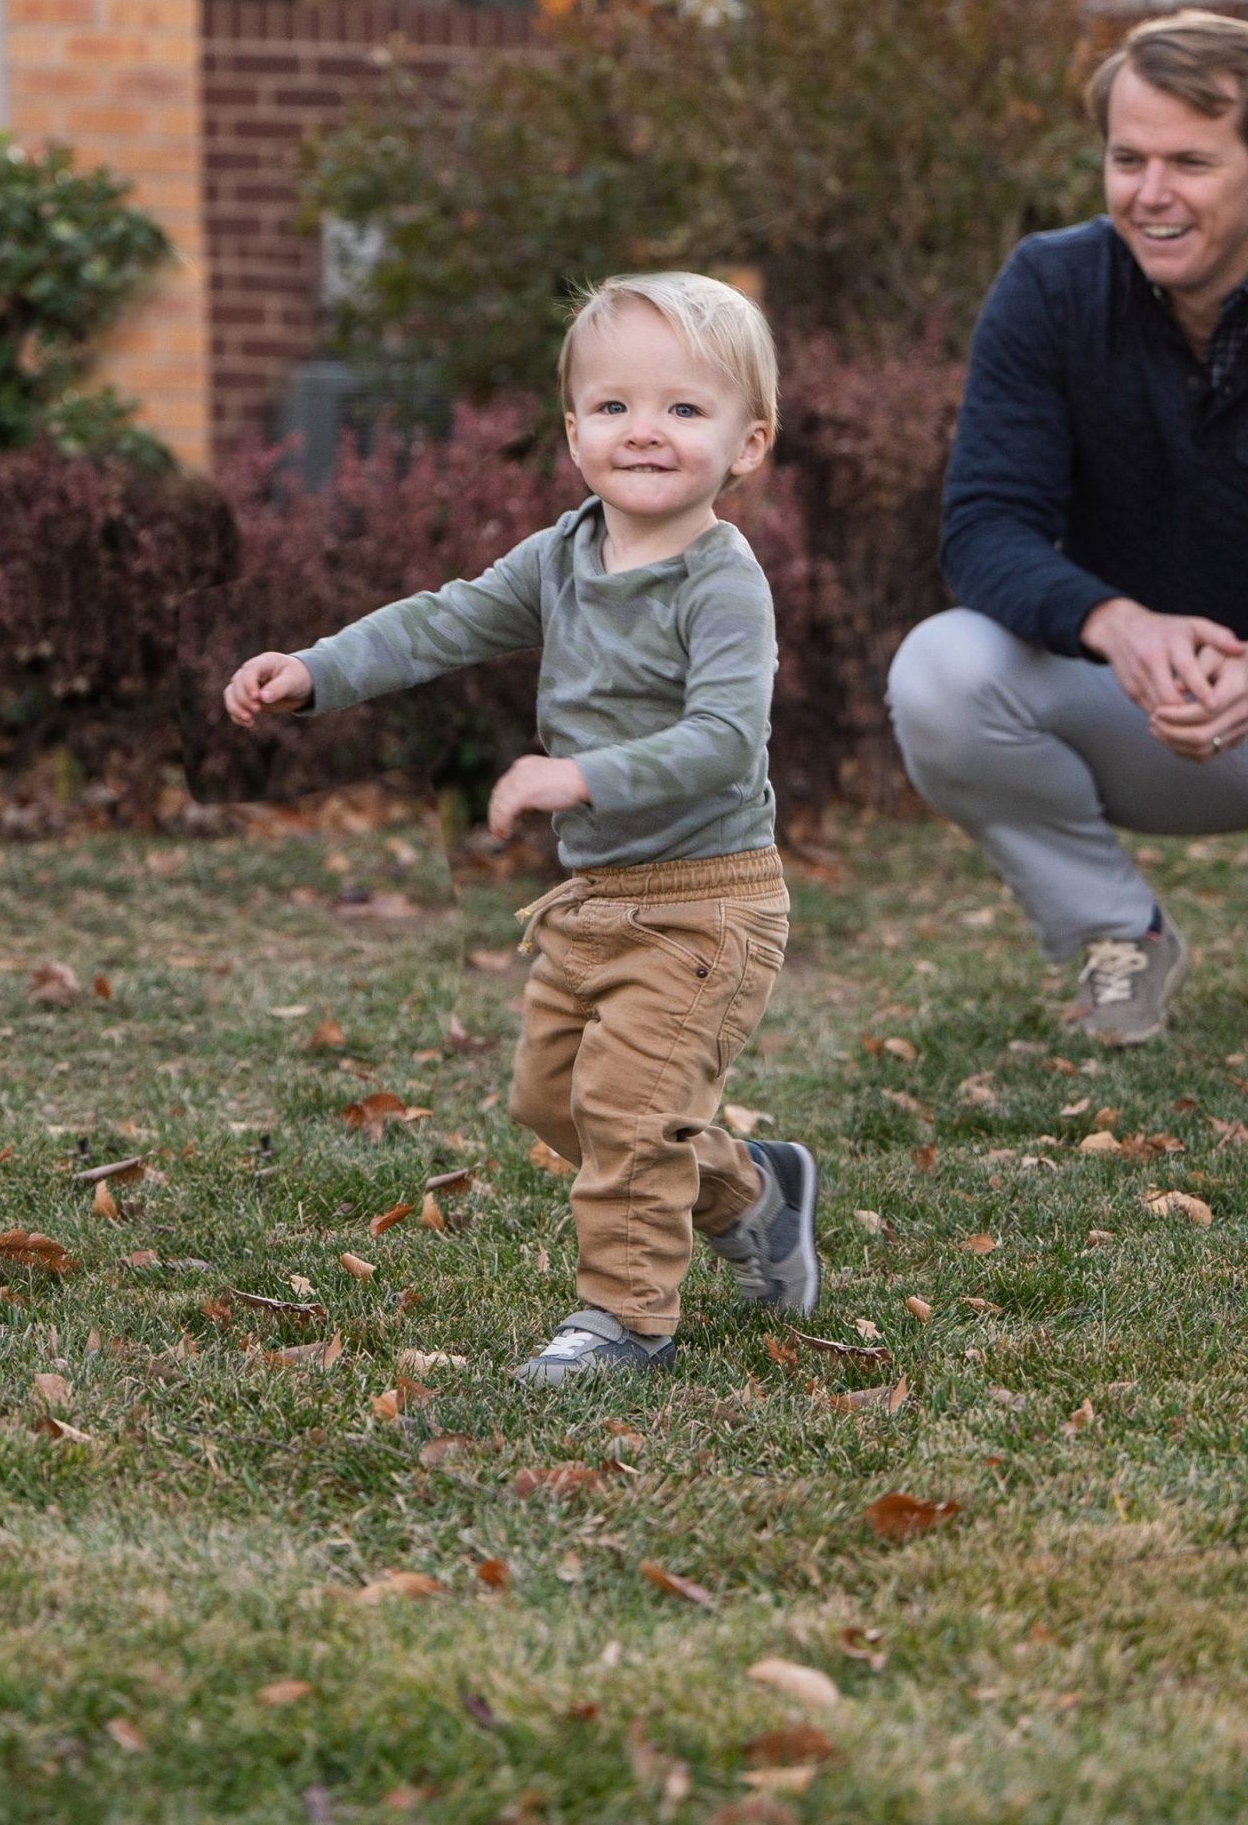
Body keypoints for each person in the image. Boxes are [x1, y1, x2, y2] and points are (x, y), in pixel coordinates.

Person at [224, 271, 819, 1384]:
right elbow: (439, 622)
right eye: (615, 406)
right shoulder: (561, 556)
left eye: (685, 409)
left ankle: (624, 1323)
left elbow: (726, 741)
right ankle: (757, 1192)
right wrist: (315, 671)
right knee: (555, 1105)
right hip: (596, 903)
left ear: (747, 445)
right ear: (574, 431)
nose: (645, 429)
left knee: (630, 1114)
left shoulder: (720, 584)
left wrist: (578, 776)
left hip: (708, 901)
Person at [888, 9, 1248, 1047]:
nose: (1150, 194)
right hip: (1138, 706)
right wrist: (1122, 626)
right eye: (1128, 159)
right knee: (938, 671)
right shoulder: (1048, 288)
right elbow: (985, 527)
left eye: (1189, 161)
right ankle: (1118, 934)